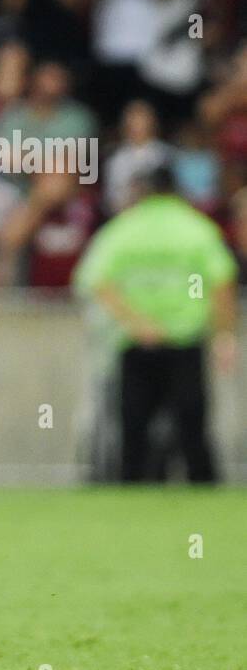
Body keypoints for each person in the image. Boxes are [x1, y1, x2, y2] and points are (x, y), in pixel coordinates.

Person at [72, 167, 237, 483]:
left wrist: (137, 322)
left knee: (134, 433)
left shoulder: (122, 229)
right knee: (192, 429)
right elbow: (221, 282)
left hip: (136, 343)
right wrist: (225, 335)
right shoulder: (197, 229)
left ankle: (132, 502)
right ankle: (202, 499)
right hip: (185, 341)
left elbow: (92, 280)